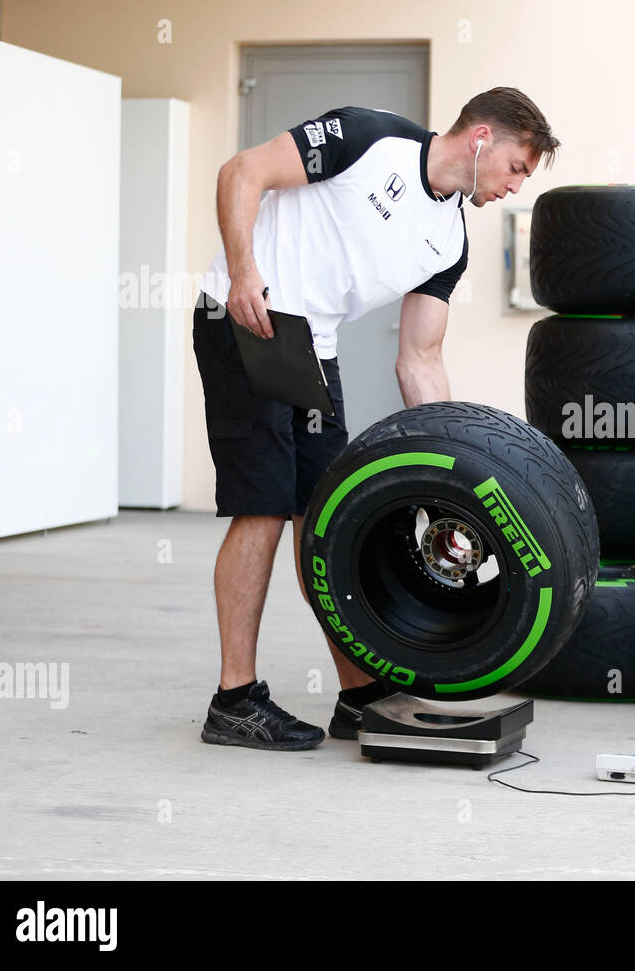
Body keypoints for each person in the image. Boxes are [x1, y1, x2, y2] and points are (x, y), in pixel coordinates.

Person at [192, 87, 558, 750]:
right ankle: (235, 699)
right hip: (246, 317)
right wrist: (245, 273)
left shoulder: (449, 242)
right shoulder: (370, 138)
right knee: (264, 506)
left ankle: (359, 694)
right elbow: (241, 171)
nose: (514, 186)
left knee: (326, 517)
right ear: (481, 138)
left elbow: (419, 360)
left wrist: (461, 466)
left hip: (312, 348)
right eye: (516, 168)